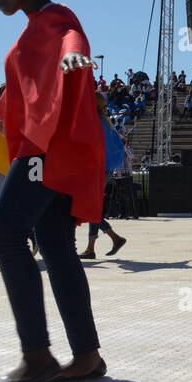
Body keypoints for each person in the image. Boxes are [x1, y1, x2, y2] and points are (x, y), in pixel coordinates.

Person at [0, 0, 108, 382]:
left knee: (5, 237)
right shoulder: (32, 30)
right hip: (45, 144)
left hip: (46, 149)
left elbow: (72, 41)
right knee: (55, 248)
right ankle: (87, 355)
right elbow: (25, 81)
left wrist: (76, 59)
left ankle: (36, 355)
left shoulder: (56, 20)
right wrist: (1, 108)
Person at [79, 94, 129, 259]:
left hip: (96, 170)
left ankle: (114, 238)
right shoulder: (105, 122)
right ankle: (92, 248)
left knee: (90, 210)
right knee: (93, 208)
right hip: (104, 169)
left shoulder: (93, 122)